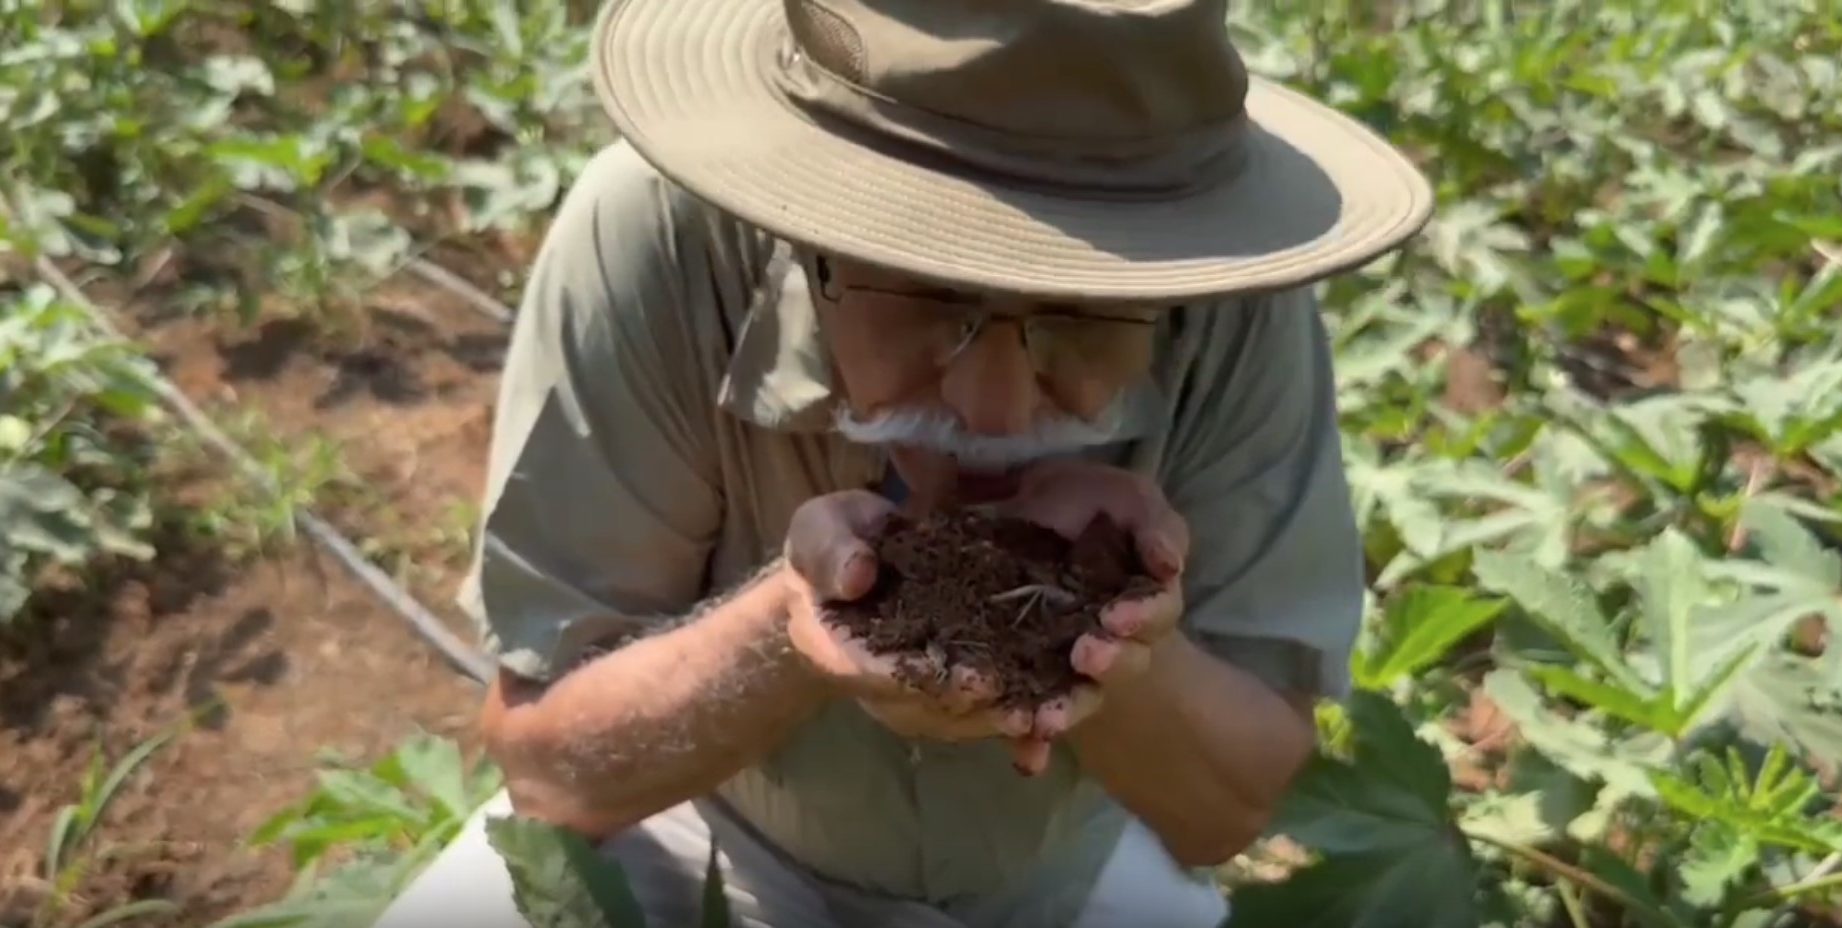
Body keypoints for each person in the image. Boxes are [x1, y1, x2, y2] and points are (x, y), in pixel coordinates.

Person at [373, 0, 1432, 924]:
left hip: (1063, 877)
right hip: (698, 831)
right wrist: (783, 632)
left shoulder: (1236, 308)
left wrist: (1131, 661)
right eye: (930, 294)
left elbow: (1227, 811)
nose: (996, 406)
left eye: (1084, 312)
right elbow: (550, 770)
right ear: (808, 235)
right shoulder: (655, 242)